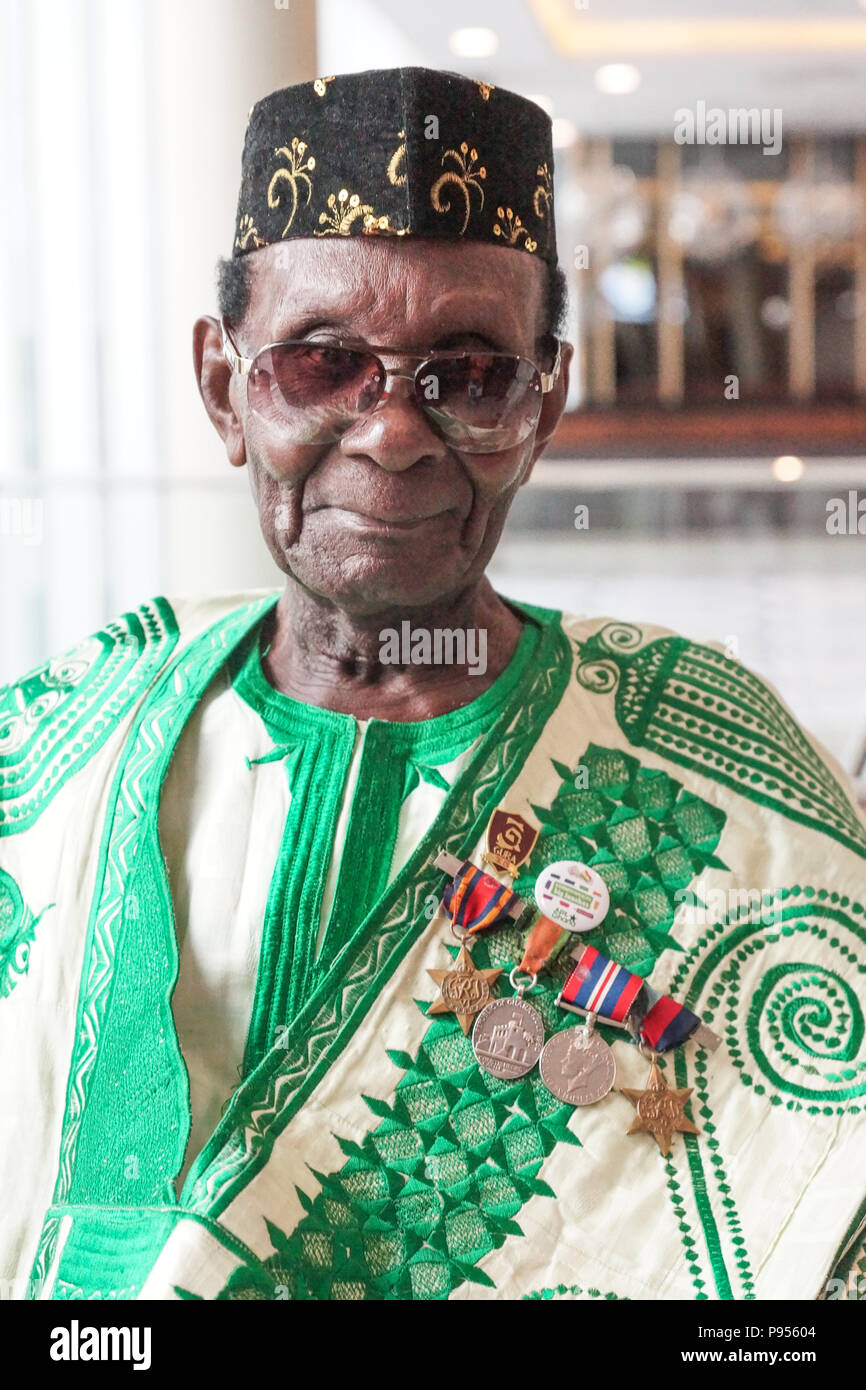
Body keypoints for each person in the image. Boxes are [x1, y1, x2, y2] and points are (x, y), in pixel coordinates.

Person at [1, 66, 864, 1303]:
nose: (393, 432)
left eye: (467, 375)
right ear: (221, 388)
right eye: (320, 364)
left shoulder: (711, 758)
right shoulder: (60, 743)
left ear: (543, 401)